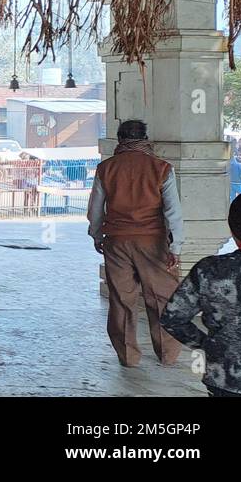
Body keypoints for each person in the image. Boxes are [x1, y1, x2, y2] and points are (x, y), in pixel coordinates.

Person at [87, 119, 184, 367]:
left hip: (117, 242)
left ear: (120, 139)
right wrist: (176, 247)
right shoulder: (161, 168)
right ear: (145, 138)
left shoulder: (106, 168)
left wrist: (98, 236)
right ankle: (167, 355)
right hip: (153, 242)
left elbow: (95, 210)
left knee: (122, 300)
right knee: (161, 298)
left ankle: (128, 357)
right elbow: (173, 212)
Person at [161, 191, 241, 397]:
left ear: (233, 229)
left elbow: (172, 319)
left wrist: (207, 344)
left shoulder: (209, 270)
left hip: (225, 379)